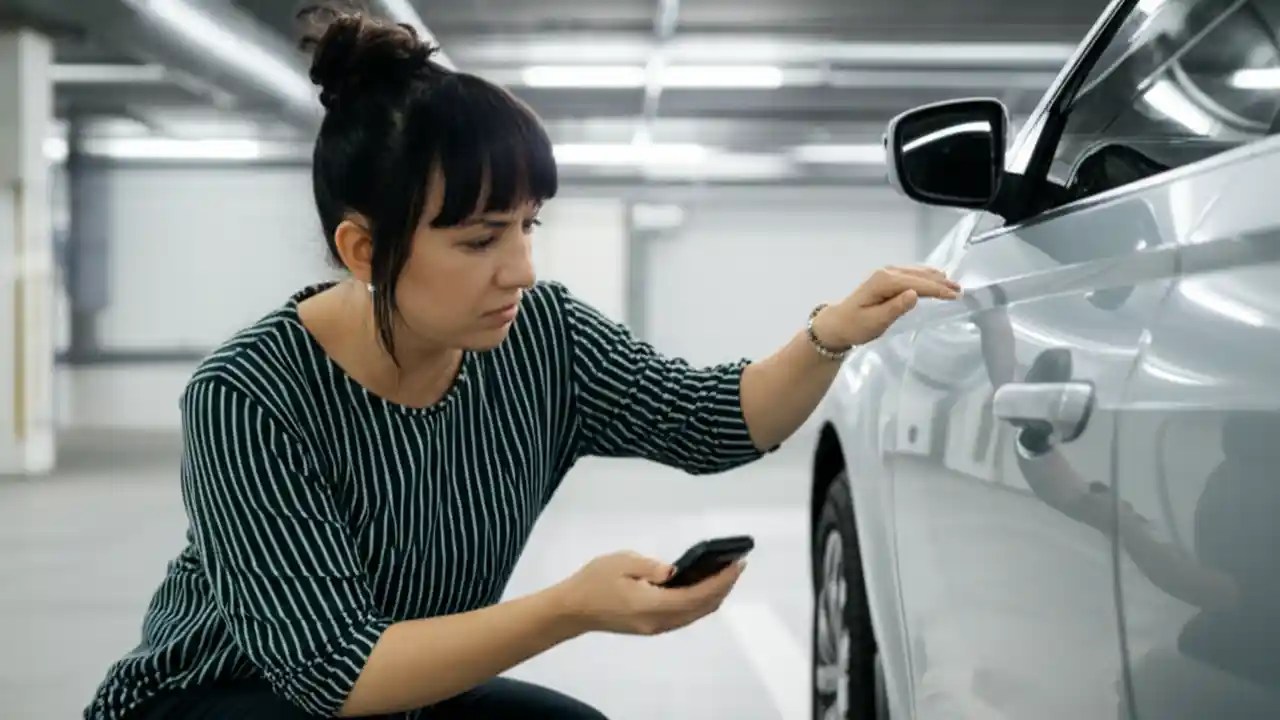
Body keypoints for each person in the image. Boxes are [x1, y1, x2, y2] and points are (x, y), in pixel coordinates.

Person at [83, 5, 961, 719]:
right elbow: (331, 670)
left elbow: (717, 420)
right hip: (220, 699)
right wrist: (570, 608)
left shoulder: (539, 338)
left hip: (403, 695)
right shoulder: (248, 395)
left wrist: (831, 334)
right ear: (361, 249)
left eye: (527, 226)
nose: (521, 269)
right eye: (478, 240)